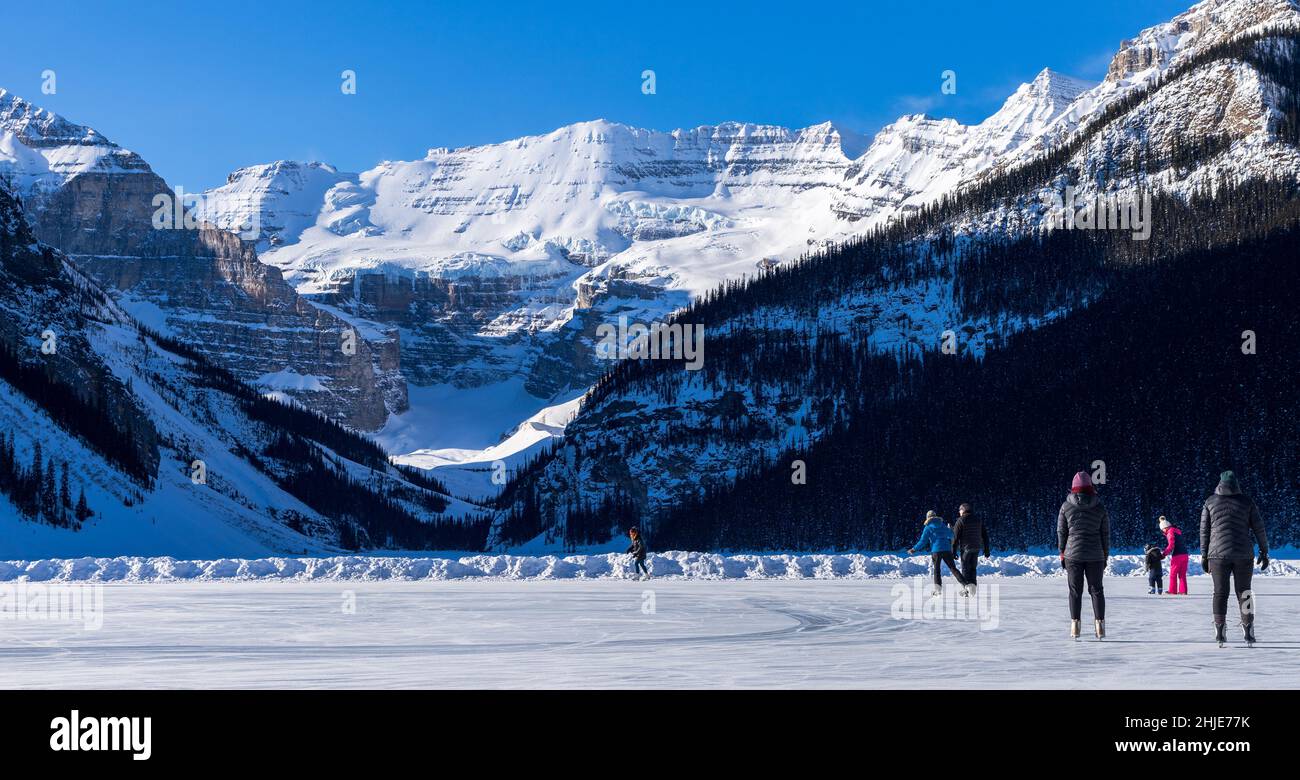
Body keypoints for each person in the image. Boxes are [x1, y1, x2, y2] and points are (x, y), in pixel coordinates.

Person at [1200, 471, 1269, 646]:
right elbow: (1259, 528)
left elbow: (1204, 532)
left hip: (1217, 556)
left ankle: (1220, 632)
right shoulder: (1247, 502)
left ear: (1220, 484)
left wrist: (1204, 556)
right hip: (1243, 554)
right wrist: (1264, 551)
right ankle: (1248, 630)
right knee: (1244, 592)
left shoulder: (1210, 502)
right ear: (1236, 484)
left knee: (1220, 593)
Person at [1058, 471, 1110, 640]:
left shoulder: (1066, 507)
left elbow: (1061, 532)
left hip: (1073, 554)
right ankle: (1100, 626)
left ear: (1073, 488)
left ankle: (1075, 627)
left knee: (1075, 591)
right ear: (1090, 487)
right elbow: (1105, 534)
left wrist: (1062, 552)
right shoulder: (1100, 506)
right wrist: (1105, 554)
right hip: (1095, 555)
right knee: (1097, 591)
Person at [908, 510, 965, 596]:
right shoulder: (942, 525)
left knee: (937, 570)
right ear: (935, 516)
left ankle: (938, 590)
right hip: (947, 550)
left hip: (936, 551)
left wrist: (914, 549)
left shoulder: (928, 527)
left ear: (927, 518)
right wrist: (950, 529)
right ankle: (966, 585)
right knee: (953, 568)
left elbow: (923, 541)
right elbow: (952, 535)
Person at [951, 502, 990, 596]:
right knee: (973, 568)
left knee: (965, 568)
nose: (959, 512)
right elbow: (985, 535)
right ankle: (973, 588)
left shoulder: (960, 520)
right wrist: (986, 549)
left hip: (966, 548)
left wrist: (953, 551)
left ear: (963, 510)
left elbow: (955, 537)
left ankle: (967, 589)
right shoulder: (978, 520)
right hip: (976, 547)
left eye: (960, 510)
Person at [1159, 515, 1190, 595]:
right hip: (1185, 554)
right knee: (1182, 574)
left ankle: (1172, 591)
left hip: (1178, 555)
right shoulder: (1177, 531)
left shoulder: (1170, 532)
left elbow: (1171, 545)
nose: (1163, 532)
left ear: (1165, 527)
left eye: (1163, 530)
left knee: (1173, 574)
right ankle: (1183, 591)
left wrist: (1163, 554)